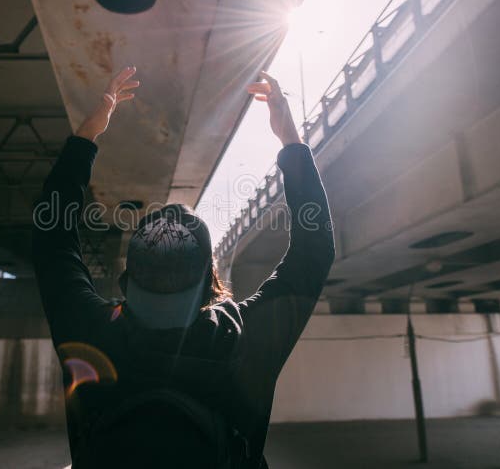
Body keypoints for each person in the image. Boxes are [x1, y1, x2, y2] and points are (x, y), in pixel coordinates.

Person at [33, 65, 335, 468]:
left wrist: (88, 134)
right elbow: (315, 250)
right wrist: (290, 141)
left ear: (128, 277)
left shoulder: (92, 332)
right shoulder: (239, 339)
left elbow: (50, 240)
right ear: (210, 279)